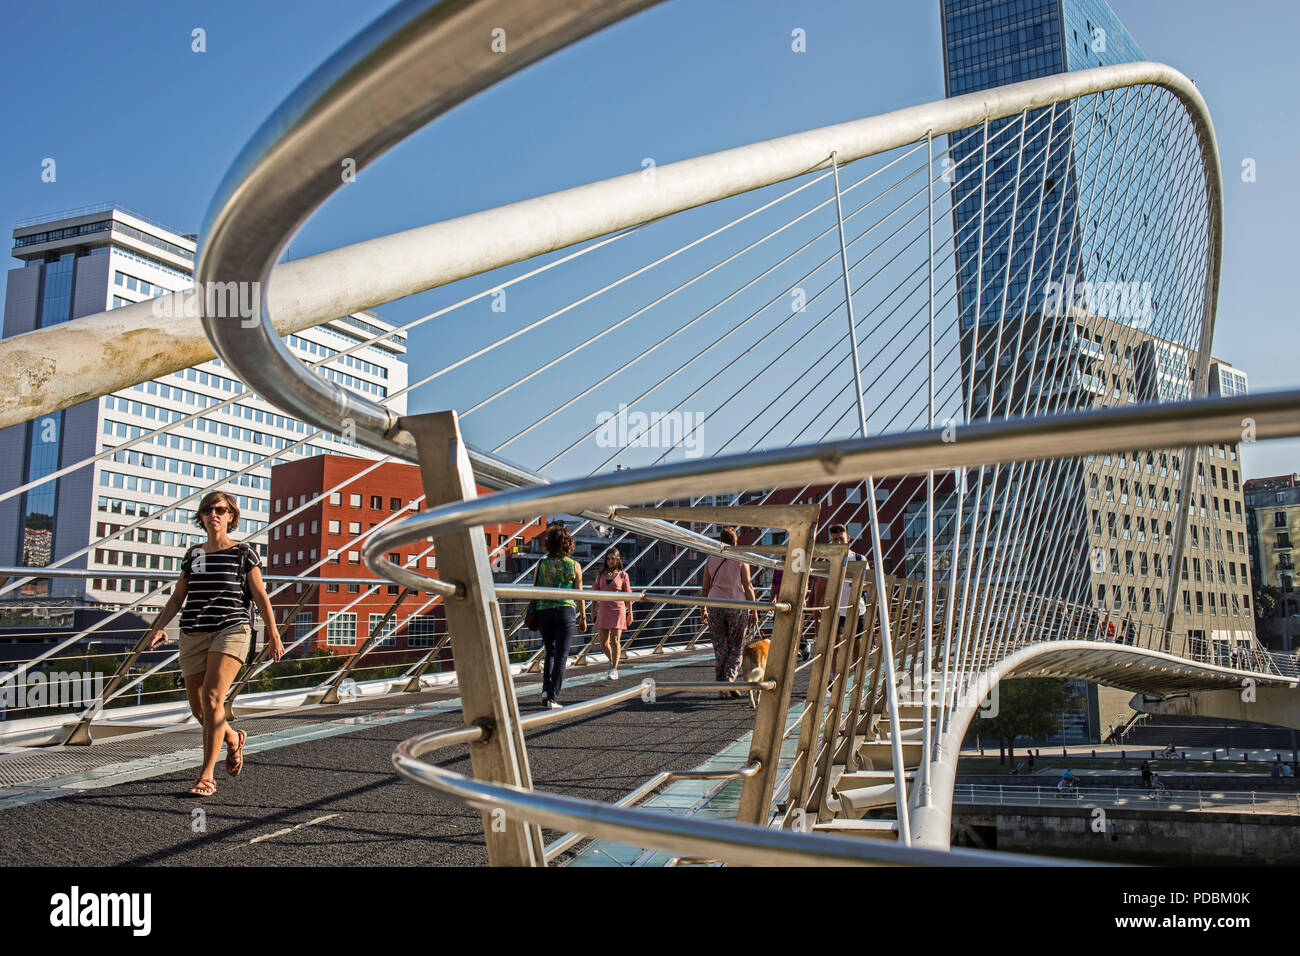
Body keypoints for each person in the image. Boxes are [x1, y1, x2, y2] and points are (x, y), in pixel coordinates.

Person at [146, 491, 283, 797]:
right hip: (193, 633)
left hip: (232, 630)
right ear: (202, 516)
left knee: (212, 699)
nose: (214, 514)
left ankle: (206, 776)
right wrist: (159, 627)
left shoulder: (243, 553)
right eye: (209, 510)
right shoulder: (193, 555)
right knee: (199, 709)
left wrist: (273, 633)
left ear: (231, 516)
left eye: (221, 510)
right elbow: (178, 597)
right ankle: (233, 739)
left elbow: (260, 595)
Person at [533, 524, 588, 709]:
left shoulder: (541, 564)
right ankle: (553, 698)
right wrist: (584, 617)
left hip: (544, 611)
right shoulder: (574, 565)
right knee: (561, 656)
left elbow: (535, 589)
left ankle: (545, 691)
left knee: (550, 651)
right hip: (565, 611)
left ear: (549, 543)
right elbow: (579, 594)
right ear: (567, 544)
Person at [701, 527, 758, 697]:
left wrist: (702, 608)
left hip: (715, 605)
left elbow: (705, 588)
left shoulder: (710, 559)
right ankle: (729, 681)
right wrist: (754, 610)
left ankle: (722, 687)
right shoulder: (740, 559)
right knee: (736, 646)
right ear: (735, 541)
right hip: (737, 607)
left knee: (720, 647)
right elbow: (748, 587)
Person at [809, 524, 869, 671]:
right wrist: (817, 607)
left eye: (841, 539)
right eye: (834, 540)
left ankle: (857, 676)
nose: (838, 543)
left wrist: (857, 586)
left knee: (857, 643)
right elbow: (821, 586)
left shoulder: (859, 559)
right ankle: (835, 681)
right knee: (836, 645)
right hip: (837, 610)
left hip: (857, 608)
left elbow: (868, 584)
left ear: (847, 539)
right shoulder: (828, 561)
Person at [592, 548, 632, 681]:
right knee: (603, 643)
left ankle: (614, 669)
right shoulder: (601, 574)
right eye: (608, 559)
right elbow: (595, 593)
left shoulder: (623, 575)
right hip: (603, 609)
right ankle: (612, 660)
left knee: (615, 640)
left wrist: (630, 613)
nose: (610, 561)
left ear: (618, 559)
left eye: (612, 558)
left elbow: (628, 596)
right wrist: (592, 609)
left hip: (618, 610)